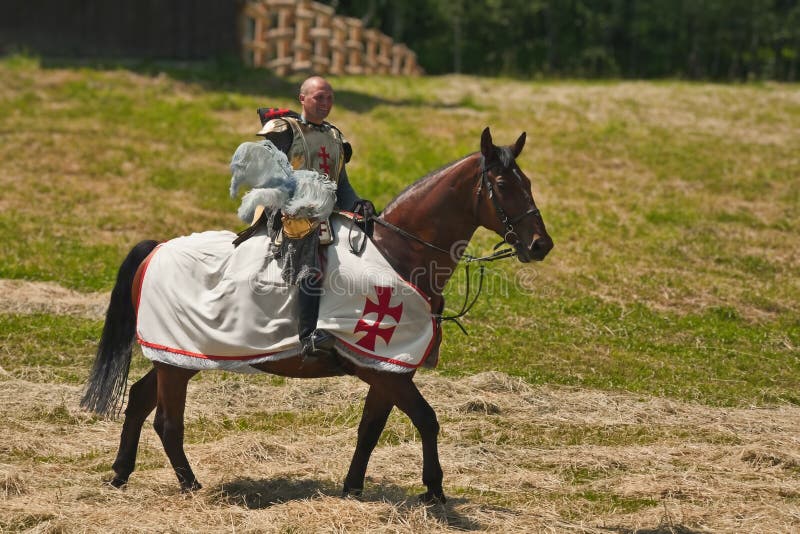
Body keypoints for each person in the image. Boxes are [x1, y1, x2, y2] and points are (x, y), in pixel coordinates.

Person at [256, 76, 375, 360]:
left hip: (325, 213)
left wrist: (359, 206)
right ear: (303, 98)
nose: (325, 103)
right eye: (319, 97)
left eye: (329, 98)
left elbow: (342, 185)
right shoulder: (284, 130)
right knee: (309, 263)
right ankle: (308, 336)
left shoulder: (334, 137)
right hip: (289, 213)